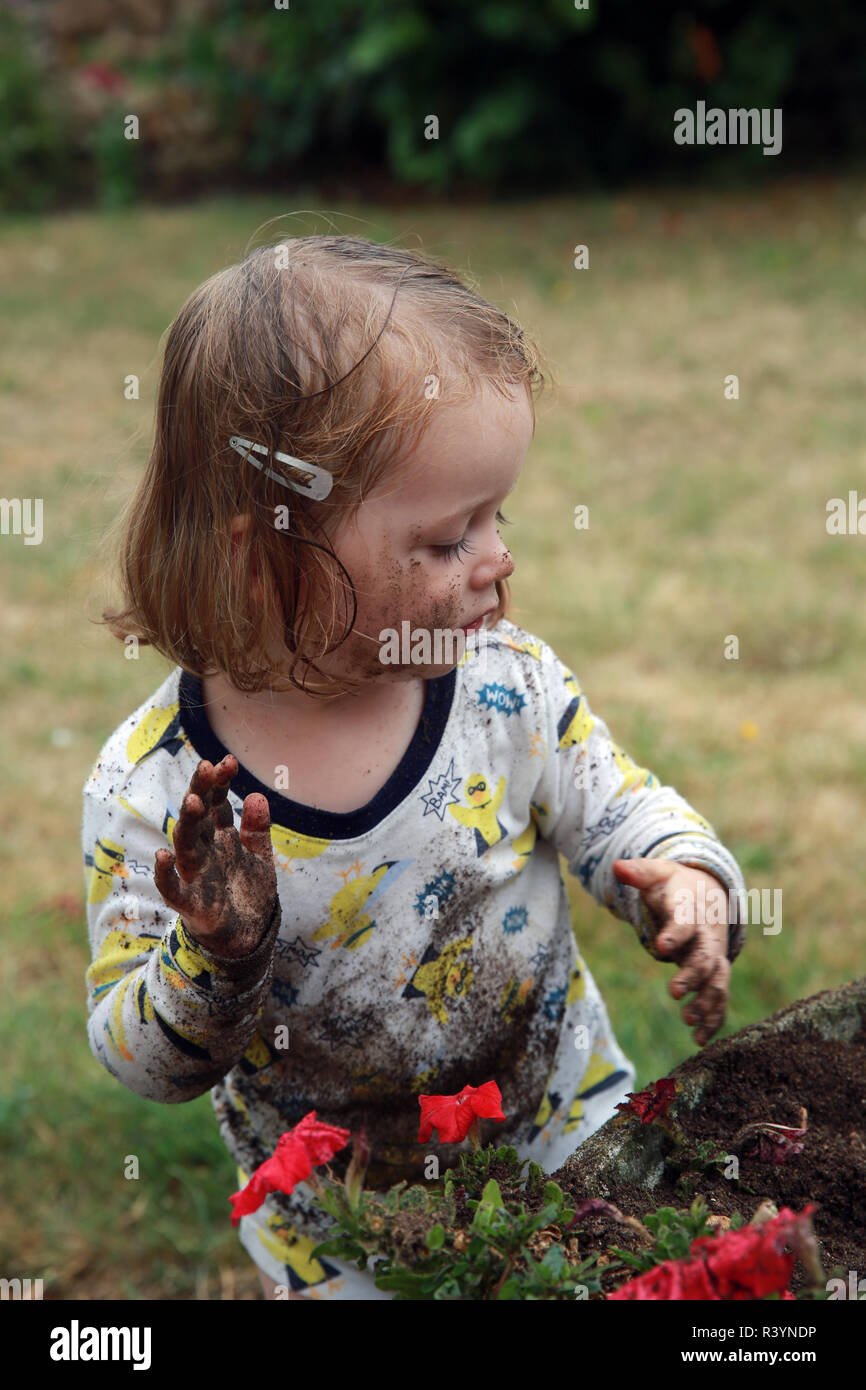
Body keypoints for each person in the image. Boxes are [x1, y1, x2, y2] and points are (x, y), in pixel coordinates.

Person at [83, 234, 747, 1301]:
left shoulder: (502, 688)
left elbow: (617, 807)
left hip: (563, 1142)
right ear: (267, 557)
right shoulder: (158, 797)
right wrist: (217, 956)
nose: (498, 560)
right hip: (343, 1232)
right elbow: (142, 1063)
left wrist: (680, 874)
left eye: (498, 516)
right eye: (446, 539)